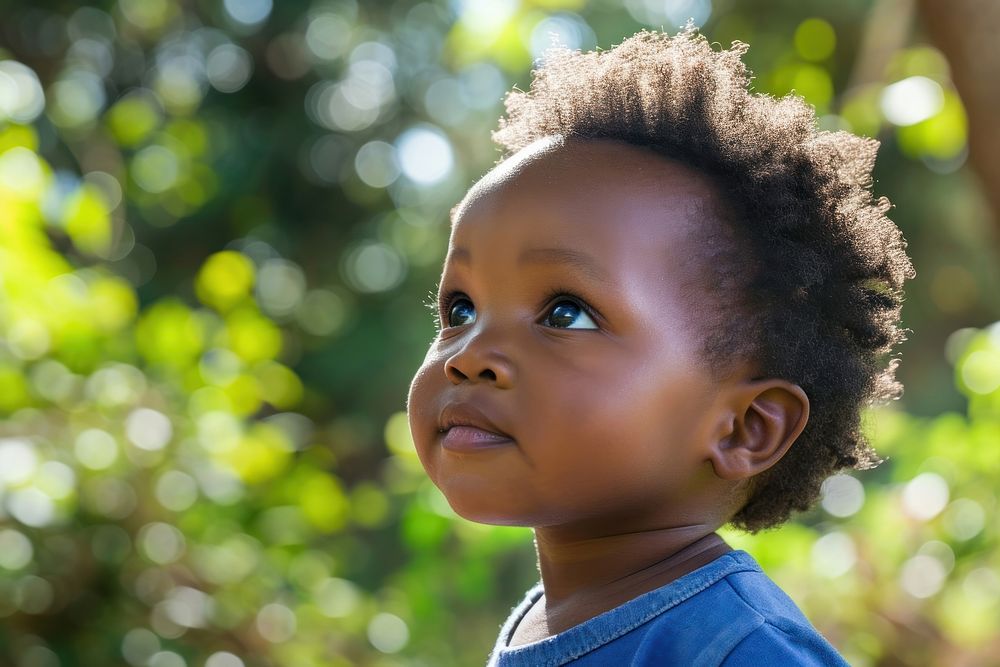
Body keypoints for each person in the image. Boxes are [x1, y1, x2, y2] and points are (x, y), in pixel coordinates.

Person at [406, 27, 913, 666]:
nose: (469, 353)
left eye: (566, 313)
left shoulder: (741, 652)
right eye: (461, 308)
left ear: (743, 428)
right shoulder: (545, 621)